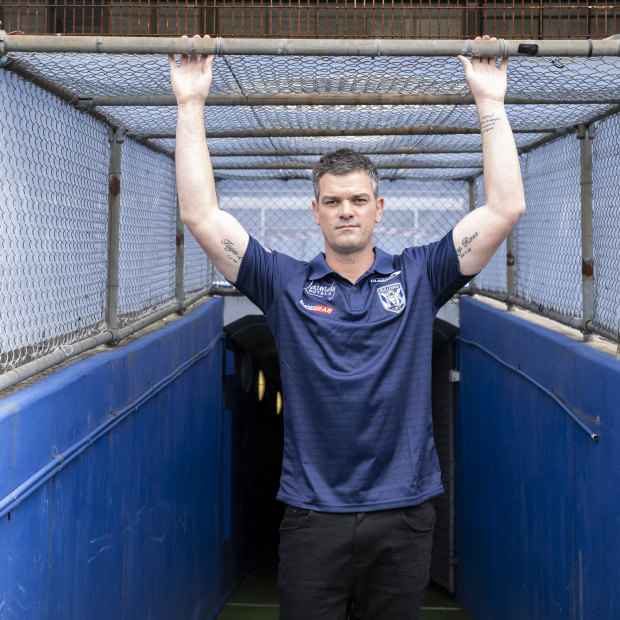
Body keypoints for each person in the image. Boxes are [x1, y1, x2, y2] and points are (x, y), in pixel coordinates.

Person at [169, 34, 525, 620]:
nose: (347, 211)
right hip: (313, 520)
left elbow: (504, 209)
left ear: (378, 209)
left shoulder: (421, 277)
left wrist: (489, 101)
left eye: (359, 199)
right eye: (333, 201)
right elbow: (200, 215)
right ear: (316, 211)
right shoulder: (281, 282)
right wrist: (190, 105)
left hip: (405, 516)